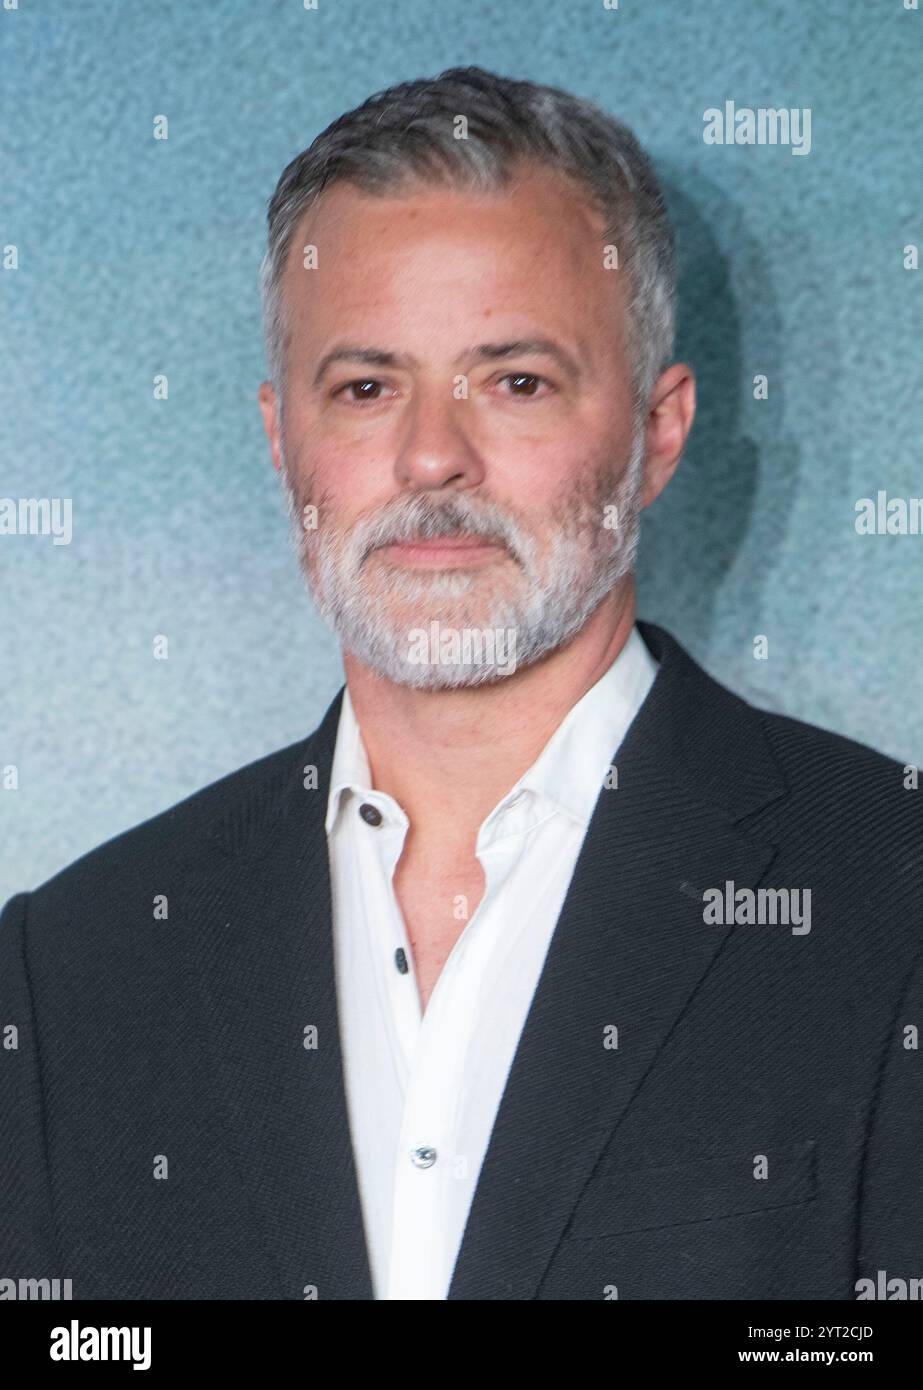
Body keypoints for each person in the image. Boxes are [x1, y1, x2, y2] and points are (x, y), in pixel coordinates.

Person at [2, 67, 920, 1302]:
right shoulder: (70, 975)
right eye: (367, 387)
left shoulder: (888, 900)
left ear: (656, 433)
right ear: (284, 443)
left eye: (516, 380)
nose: (432, 454)